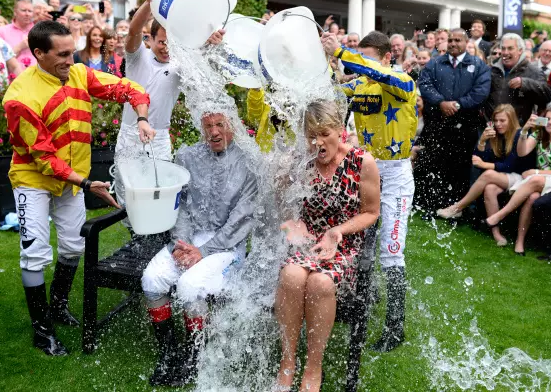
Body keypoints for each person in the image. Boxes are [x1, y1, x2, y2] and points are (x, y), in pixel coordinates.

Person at [3, 21, 154, 356]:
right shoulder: (19, 97)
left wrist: (142, 117)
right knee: (35, 254)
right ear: (38, 53)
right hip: (34, 180)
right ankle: (42, 331)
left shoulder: (79, 74)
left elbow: (130, 89)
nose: (71, 61)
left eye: (72, 52)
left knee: (73, 247)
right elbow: (43, 159)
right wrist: (88, 183)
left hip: (74, 180)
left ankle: (57, 307)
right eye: (62, 54)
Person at [141, 112, 258, 386]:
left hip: (227, 246)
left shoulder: (250, 164)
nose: (214, 132)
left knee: (191, 285)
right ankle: (169, 354)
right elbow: (180, 206)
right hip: (187, 240)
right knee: (152, 279)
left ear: (233, 126)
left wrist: (203, 252)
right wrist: (181, 243)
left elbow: (241, 220)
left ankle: (194, 359)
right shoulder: (187, 157)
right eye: (208, 126)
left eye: (220, 125)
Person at [274, 100, 380, 392]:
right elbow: (282, 203)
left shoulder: (362, 162)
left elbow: (371, 212)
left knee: (321, 283)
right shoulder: (302, 161)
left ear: (339, 131)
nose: (317, 143)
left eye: (324, 134)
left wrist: (338, 231)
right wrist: (292, 221)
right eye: (311, 135)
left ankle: (313, 367)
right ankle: (288, 362)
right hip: (308, 242)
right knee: (291, 275)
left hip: (343, 244)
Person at [322, 30, 417, 352]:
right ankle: (352, 303)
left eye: (369, 58)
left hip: (396, 176)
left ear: (388, 56)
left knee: (391, 250)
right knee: (357, 242)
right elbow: (327, 94)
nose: (362, 66)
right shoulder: (359, 85)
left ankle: (395, 325)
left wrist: (342, 52)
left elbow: (376, 72)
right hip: (365, 172)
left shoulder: (404, 82)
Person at [114, 0, 224, 227]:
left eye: (170, 43)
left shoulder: (179, 65)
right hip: (130, 134)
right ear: (150, 40)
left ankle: (155, 236)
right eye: (161, 41)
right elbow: (132, 31)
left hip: (159, 137)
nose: (165, 48)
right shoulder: (137, 58)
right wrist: (150, 3)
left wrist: (212, 43)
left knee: (157, 190)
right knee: (127, 193)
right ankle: (132, 235)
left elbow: (205, 64)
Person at [415, 28, 491, 215]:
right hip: (437, 124)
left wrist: (457, 105)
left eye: (457, 40)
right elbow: (424, 85)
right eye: (450, 40)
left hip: (465, 126)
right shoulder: (434, 63)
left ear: (466, 43)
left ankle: (455, 208)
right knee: (434, 164)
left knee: (459, 167)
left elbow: (481, 92)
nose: (453, 43)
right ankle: (430, 206)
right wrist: (441, 102)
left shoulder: (478, 65)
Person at [436, 105, 535, 245]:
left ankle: (458, 208)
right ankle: (496, 234)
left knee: (488, 174)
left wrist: (485, 165)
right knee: (489, 188)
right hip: (504, 177)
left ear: (511, 120)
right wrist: (482, 141)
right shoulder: (495, 134)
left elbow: (511, 165)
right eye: (496, 120)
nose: (498, 124)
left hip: (523, 178)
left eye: (502, 121)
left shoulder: (519, 134)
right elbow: (477, 160)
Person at [484, 106, 551, 255]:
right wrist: (524, 131)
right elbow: (522, 152)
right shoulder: (539, 133)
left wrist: (536, 171)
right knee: (532, 197)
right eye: (547, 119)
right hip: (541, 180)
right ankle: (520, 242)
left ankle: (500, 215)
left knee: (534, 179)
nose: (550, 122)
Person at [486, 33, 551, 124]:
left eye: (510, 48)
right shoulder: (492, 70)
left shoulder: (534, 71)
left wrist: (525, 83)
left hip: (518, 129)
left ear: (520, 50)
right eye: (503, 48)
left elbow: (547, 95)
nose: (505, 52)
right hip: (493, 127)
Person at [0, 0, 35, 68]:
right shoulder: (2, 31)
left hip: (35, 76)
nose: (27, 14)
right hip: (12, 76)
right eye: (23, 10)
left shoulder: (38, 31)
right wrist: (19, 47)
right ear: (15, 12)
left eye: (30, 11)